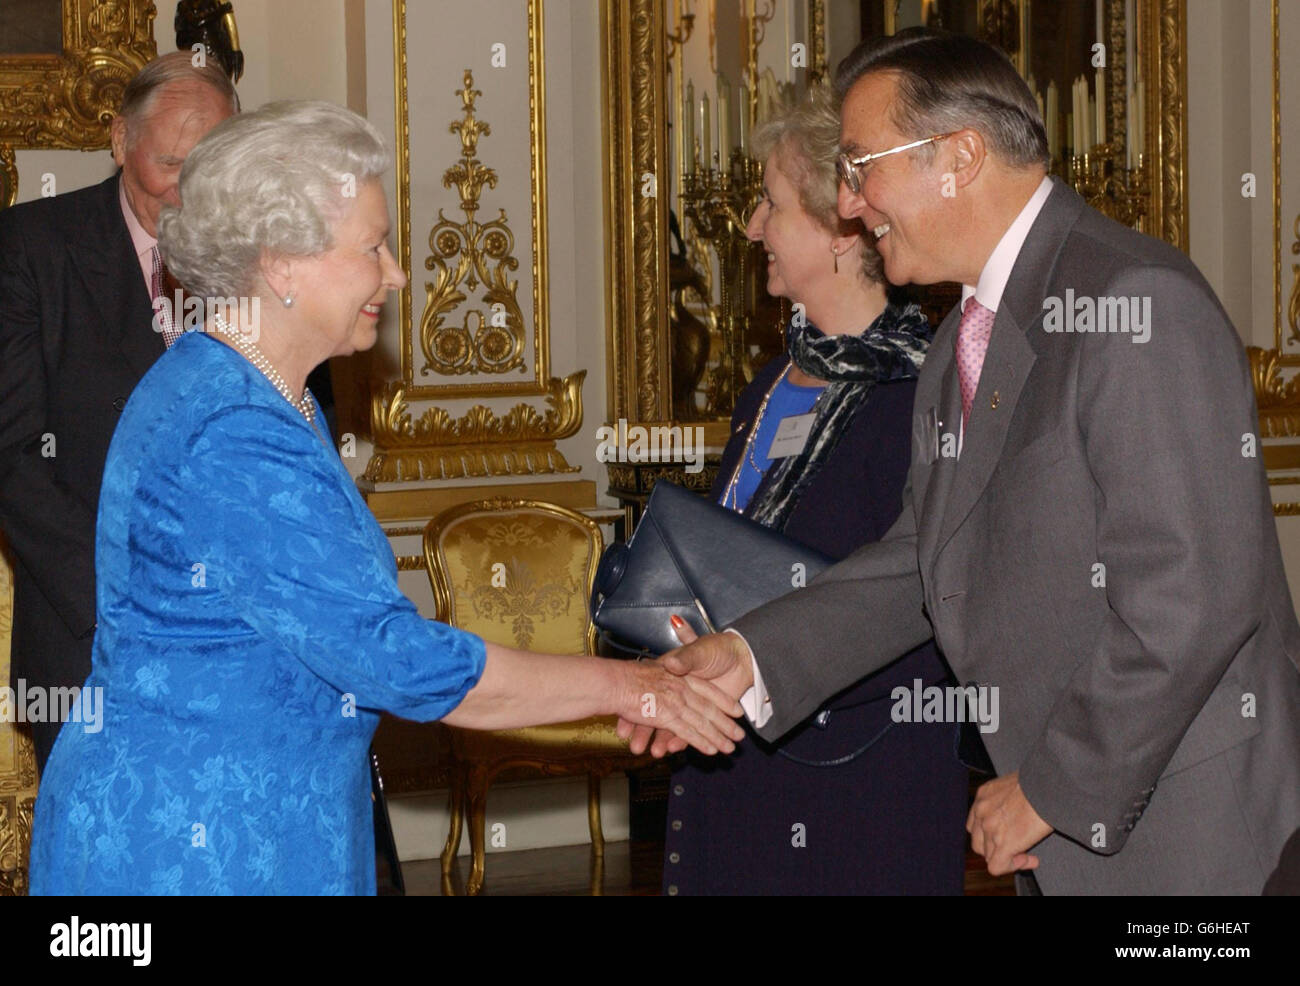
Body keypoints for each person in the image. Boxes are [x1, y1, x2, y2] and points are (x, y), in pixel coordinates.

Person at [625, 28, 1300, 895]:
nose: (852, 202)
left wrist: (1054, 786)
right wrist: (749, 657)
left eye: (863, 165)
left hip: (1190, 837)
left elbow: (1191, 599)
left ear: (960, 157)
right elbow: (921, 560)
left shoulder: (1133, 300)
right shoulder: (959, 344)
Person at [29, 100, 743, 896]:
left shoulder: (259, 394)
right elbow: (399, 661)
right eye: (373, 247)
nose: (397, 274)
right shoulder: (232, 431)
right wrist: (633, 684)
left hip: (252, 823)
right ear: (283, 262)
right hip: (195, 845)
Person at [662, 87, 966, 896]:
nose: (752, 225)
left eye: (770, 204)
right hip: (734, 772)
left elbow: (923, 612)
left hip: (860, 801)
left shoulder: (919, 396)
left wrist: (761, 652)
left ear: (840, 231)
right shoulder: (767, 384)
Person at [0, 52, 238, 773]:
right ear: (117, 141)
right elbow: (11, 456)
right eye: (170, 164)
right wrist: (134, 593)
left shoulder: (260, 257)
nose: (191, 191)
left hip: (234, 637)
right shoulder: (31, 248)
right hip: (91, 642)